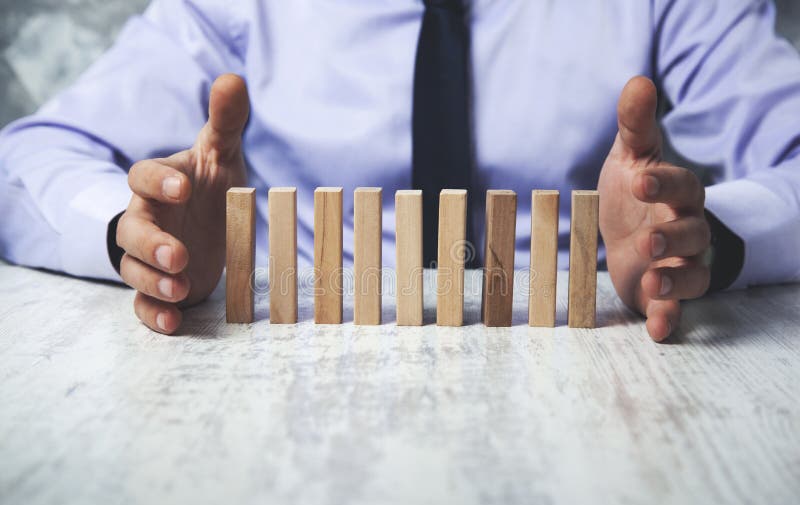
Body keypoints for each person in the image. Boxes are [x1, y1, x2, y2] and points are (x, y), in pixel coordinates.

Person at [1, 0, 799, 342]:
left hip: (593, 355)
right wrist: (137, 236)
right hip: (283, 356)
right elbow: (26, 161)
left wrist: (706, 241)